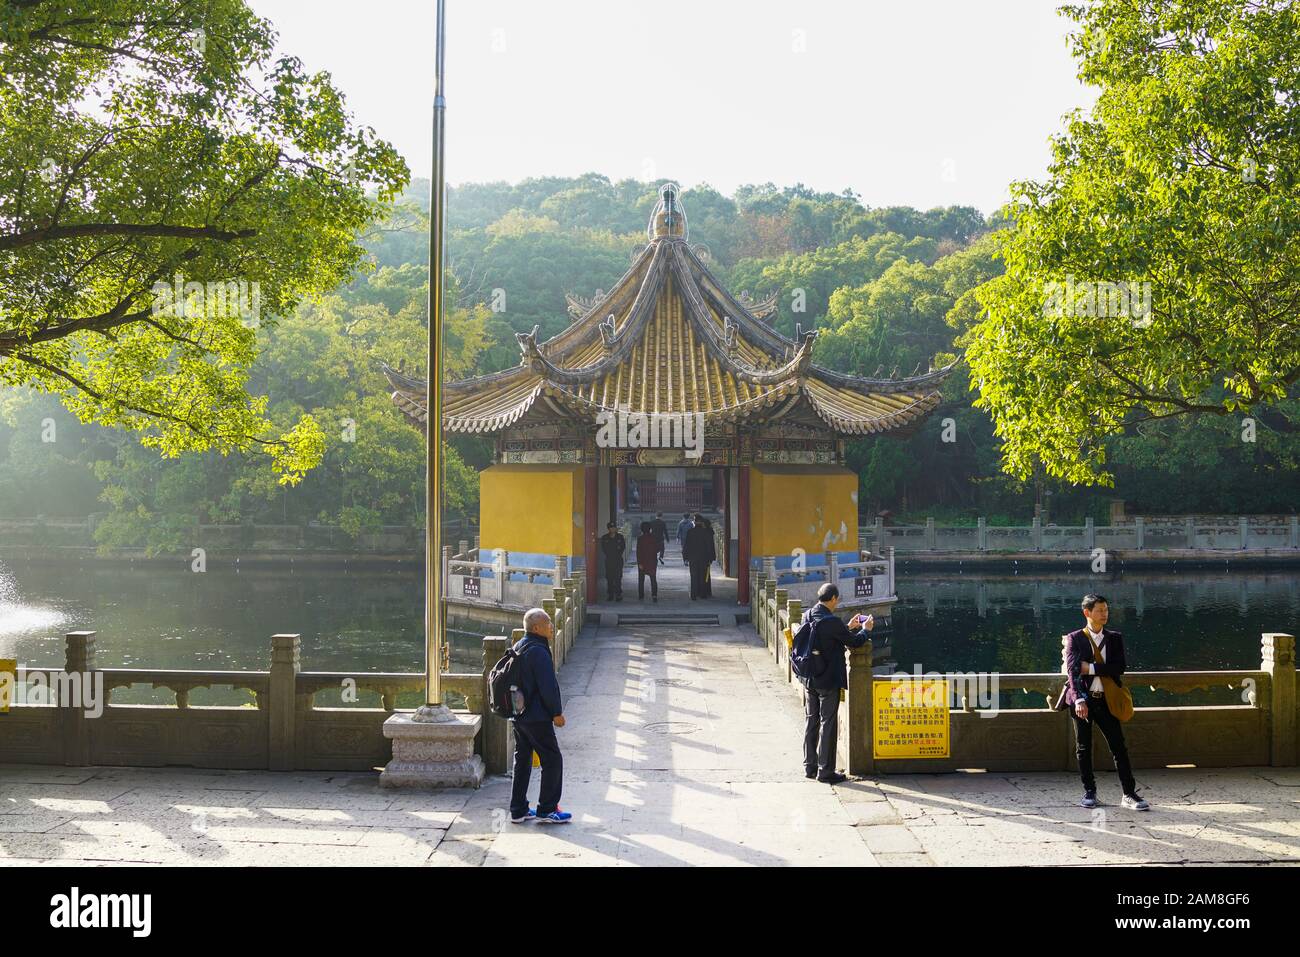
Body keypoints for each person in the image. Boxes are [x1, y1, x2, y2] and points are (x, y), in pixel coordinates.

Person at [1055, 593, 1149, 811]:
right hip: (1083, 700)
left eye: (1106, 610)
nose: (1104, 614)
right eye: (1099, 610)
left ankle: (1129, 794)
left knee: (1119, 747)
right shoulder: (1075, 638)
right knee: (1083, 748)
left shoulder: (1114, 638)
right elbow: (1073, 671)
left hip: (1107, 700)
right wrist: (1078, 699)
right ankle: (1090, 792)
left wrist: (1092, 668)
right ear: (1087, 613)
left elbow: (1119, 668)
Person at [797, 583, 872, 784]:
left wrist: (848, 627)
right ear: (832, 599)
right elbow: (854, 642)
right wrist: (865, 630)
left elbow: (827, 636)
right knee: (827, 722)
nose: (837, 602)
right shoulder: (832, 622)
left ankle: (809, 766)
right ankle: (825, 770)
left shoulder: (808, 615)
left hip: (809, 677)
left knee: (811, 720)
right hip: (827, 679)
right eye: (837, 599)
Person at [508, 608, 572, 824]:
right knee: (552, 759)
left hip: (519, 715)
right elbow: (548, 686)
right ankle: (547, 808)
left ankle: (518, 809)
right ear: (536, 628)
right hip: (536, 717)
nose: (551, 627)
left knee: (523, 760)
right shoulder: (538, 651)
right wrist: (556, 713)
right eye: (547, 624)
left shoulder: (519, 646)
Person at [683, 514, 715, 600]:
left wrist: (685, 557)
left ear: (695, 521)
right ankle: (703, 594)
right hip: (704, 557)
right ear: (701, 522)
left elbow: (686, 546)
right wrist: (711, 557)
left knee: (693, 576)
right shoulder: (706, 532)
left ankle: (693, 595)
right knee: (703, 575)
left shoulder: (690, 532)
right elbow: (709, 546)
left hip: (692, 557)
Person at [599, 522, 625, 601]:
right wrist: (609, 555)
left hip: (618, 560)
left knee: (618, 577)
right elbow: (603, 548)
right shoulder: (605, 538)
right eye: (611, 528)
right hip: (609, 560)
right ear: (608, 529)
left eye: (614, 527)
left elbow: (623, 547)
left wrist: (617, 554)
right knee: (609, 578)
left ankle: (618, 594)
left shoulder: (620, 537)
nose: (613, 529)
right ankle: (610, 594)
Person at [636, 521, 659, 602]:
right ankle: (654, 595)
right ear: (650, 529)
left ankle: (641, 595)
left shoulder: (640, 539)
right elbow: (657, 549)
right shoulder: (654, 538)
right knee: (653, 579)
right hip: (652, 561)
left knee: (641, 580)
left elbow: (638, 552)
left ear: (641, 529)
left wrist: (639, 563)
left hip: (642, 562)